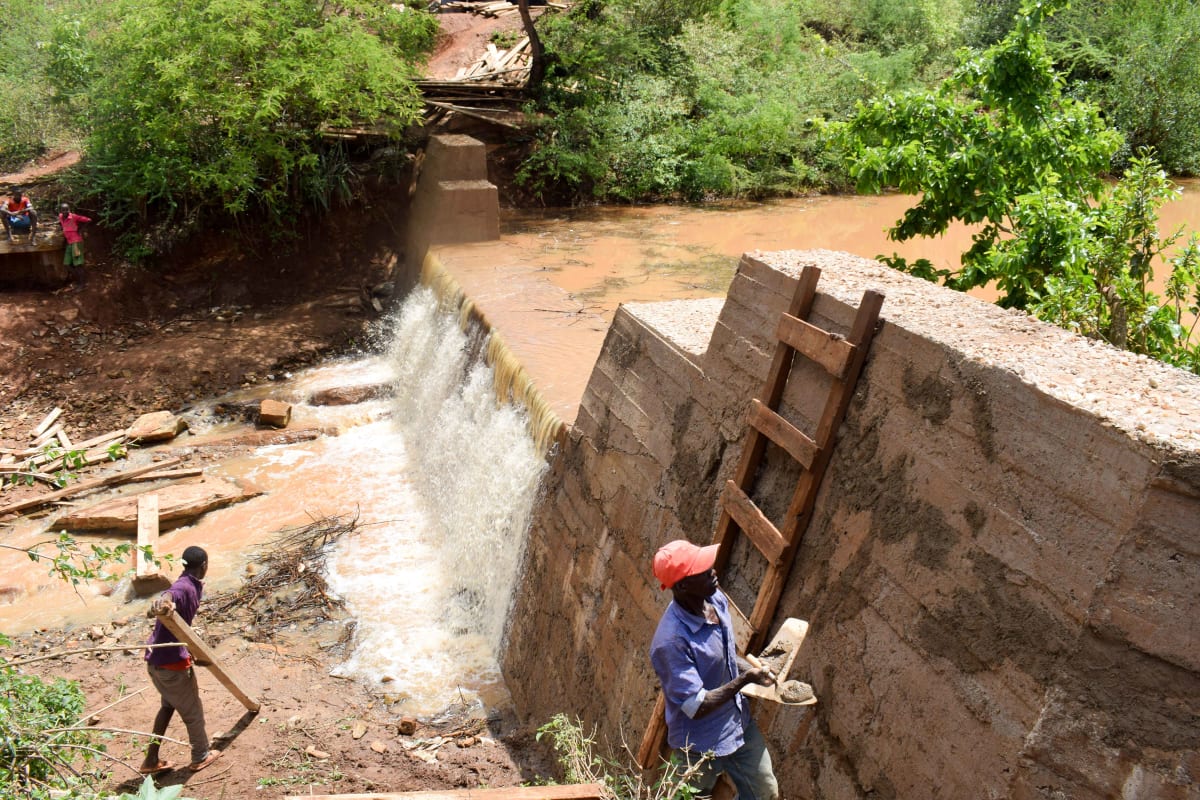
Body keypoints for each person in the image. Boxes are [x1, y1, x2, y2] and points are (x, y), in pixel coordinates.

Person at [649, 539, 779, 800]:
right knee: (687, 797)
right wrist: (745, 680)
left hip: (737, 726)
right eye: (702, 570)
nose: (713, 570)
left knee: (765, 793)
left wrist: (754, 671)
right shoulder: (671, 642)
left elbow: (725, 655)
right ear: (683, 586)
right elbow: (696, 706)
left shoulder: (714, 601)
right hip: (700, 744)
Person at [139, 546, 223, 775]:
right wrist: (162, 603)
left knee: (167, 707)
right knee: (193, 711)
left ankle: (151, 759)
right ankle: (200, 756)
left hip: (156, 661)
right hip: (171, 666)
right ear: (204, 565)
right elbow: (170, 595)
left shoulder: (189, 583)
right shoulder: (183, 587)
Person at [57, 203, 92, 284]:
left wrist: (80, 229)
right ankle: (78, 280)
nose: (66, 211)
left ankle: (82, 284)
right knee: (67, 264)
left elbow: (88, 220)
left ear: (69, 210)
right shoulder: (60, 216)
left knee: (78, 265)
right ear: (61, 211)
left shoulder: (73, 216)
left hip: (76, 242)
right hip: (69, 243)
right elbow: (61, 223)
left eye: (67, 209)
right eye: (64, 210)